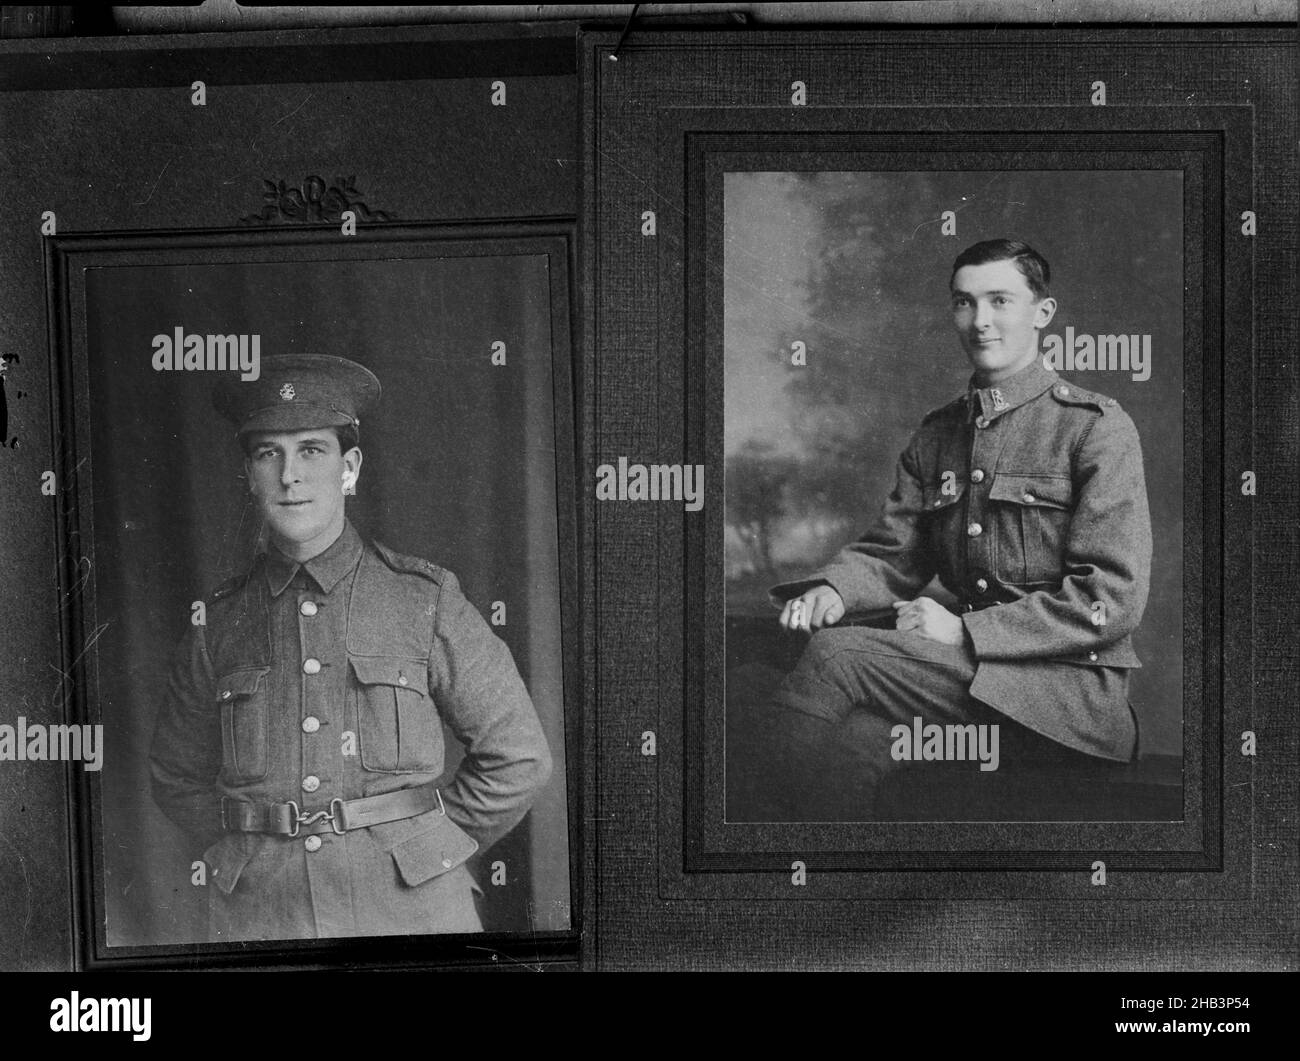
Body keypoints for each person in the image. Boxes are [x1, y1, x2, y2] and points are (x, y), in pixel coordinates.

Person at [733, 238, 1152, 820]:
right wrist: (835, 588)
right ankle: (817, 894)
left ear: (1042, 314)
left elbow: (1111, 601)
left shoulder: (1095, 429)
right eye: (964, 303)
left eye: (1000, 300)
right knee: (852, 744)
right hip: (963, 685)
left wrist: (966, 632)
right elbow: (894, 554)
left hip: (1063, 698)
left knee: (837, 657)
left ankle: (741, 845)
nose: (980, 322)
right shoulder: (939, 433)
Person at [149, 354, 553, 940]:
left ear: (350, 467)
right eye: (269, 453)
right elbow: (175, 776)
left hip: (410, 917)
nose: (290, 475)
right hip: (263, 920)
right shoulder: (219, 621)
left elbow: (519, 758)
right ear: (249, 474)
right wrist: (252, 850)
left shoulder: (424, 599)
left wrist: (419, 851)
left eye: (311, 450)